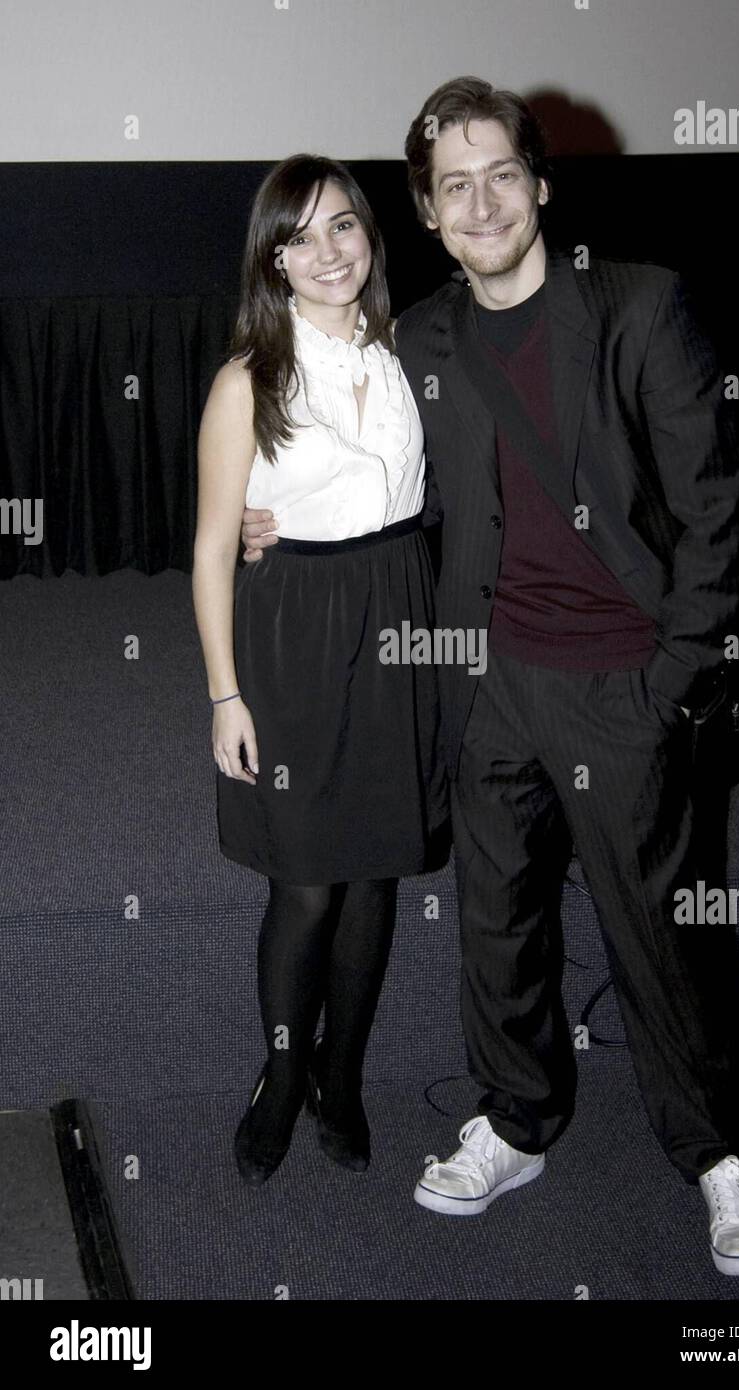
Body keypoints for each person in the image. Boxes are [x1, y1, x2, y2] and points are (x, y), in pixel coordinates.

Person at [240, 79, 739, 1277]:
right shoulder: (419, 338)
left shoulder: (640, 308)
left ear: (540, 186)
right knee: (495, 921)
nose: (479, 201)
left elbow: (716, 513)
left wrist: (670, 681)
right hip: (482, 681)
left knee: (657, 930)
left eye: (500, 175)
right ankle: (517, 1115)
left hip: (621, 682)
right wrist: (259, 521)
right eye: (451, 186)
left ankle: (713, 1152)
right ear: (426, 216)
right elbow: (342, 444)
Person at [192, 155, 450, 1187]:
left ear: (371, 235)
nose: (327, 252)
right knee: (305, 883)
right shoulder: (246, 379)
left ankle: (342, 1076)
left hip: (399, 609)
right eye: (299, 238)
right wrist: (225, 693)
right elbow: (213, 546)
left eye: (342, 226)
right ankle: (283, 1075)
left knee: (373, 871)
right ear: (273, 259)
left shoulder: (413, 346)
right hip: (294, 628)